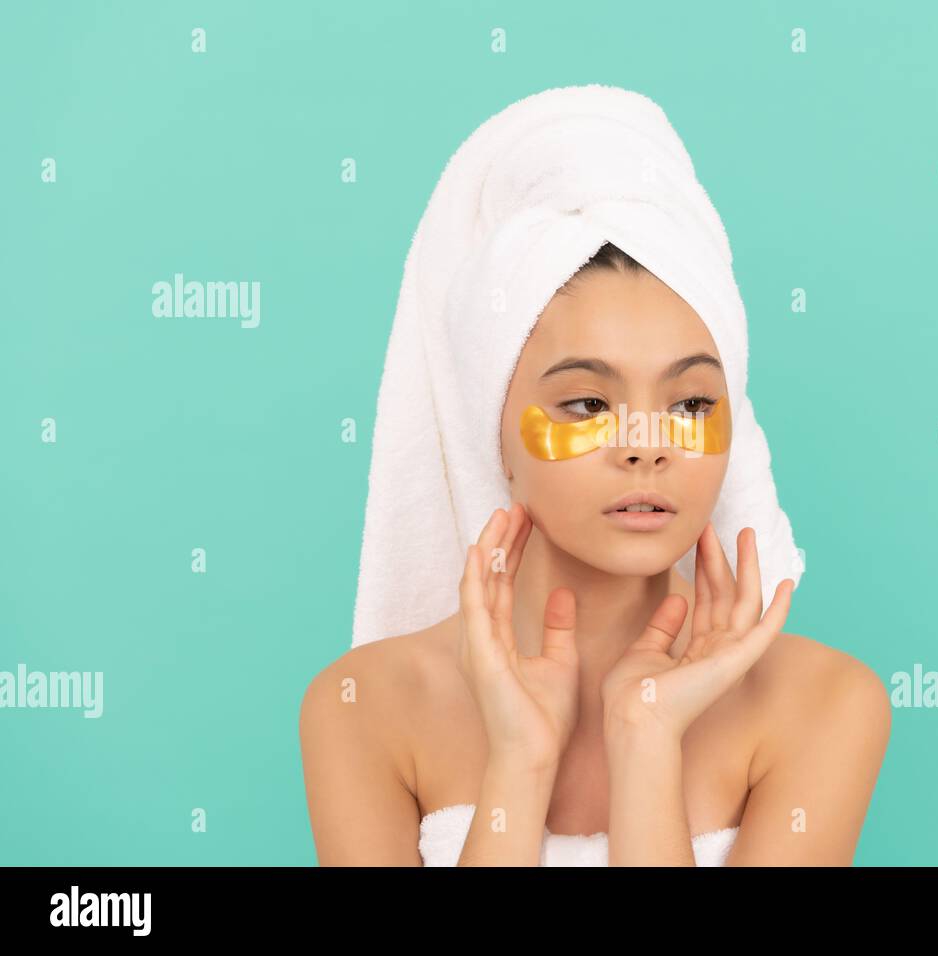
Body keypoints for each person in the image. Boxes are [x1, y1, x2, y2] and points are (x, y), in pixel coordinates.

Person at [299, 242, 892, 865]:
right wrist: (520, 763)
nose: (646, 446)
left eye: (690, 405)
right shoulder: (362, 704)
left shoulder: (827, 701)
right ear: (495, 434)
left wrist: (647, 736)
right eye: (588, 405)